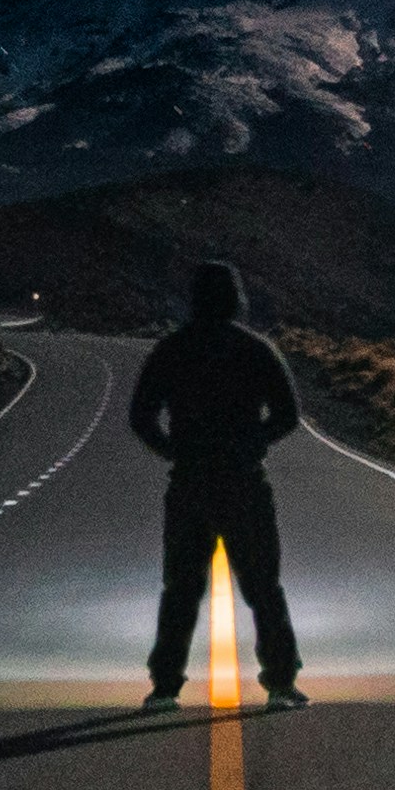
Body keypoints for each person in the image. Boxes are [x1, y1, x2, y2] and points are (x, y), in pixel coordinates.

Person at [131, 259, 307, 710]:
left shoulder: (172, 349)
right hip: (244, 482)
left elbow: (141, 416)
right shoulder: (255, 349)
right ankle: (282, 683)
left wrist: (172, 450)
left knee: (181, 587)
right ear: (236, 298)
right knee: (263, 585)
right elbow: (288, 414)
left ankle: (165, 686)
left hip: (189, 482)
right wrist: (254, 443)